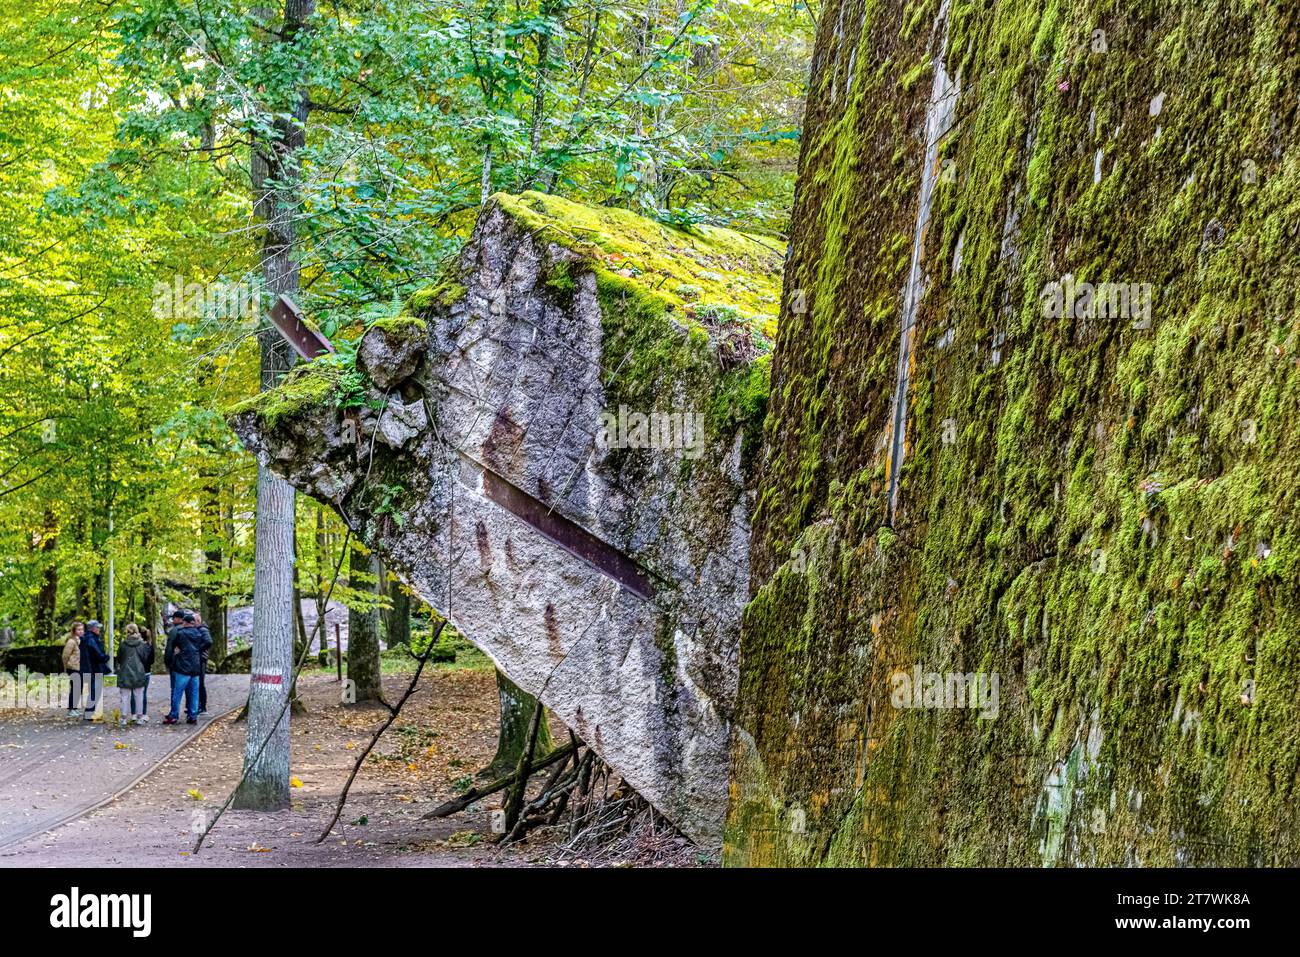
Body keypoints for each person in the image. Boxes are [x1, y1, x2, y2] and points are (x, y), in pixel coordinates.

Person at [164, 612, 211, 725]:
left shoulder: (180, 633)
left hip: (182, 667)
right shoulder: (198, 633)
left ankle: (174, 715)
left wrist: (171, 659)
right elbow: (208, 642)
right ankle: (192, 715)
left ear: (185, 622)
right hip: (195, 667)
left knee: (177, 692)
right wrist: (198, 651)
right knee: (194, 693)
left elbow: (172, 646)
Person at [115, 623, 150, 727]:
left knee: (124, 697)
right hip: (139, 672)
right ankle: (139, 718)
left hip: (125, 672)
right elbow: (145, 658)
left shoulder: (123, 644)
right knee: (139, 696)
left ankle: (123, 718)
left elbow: (120, 659)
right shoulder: (142, 644)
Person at [80, 620, 109, 722]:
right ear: (92, 628)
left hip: (91, 669)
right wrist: (105, 657)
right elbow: (98, 654)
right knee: (94, 691)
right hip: (94, 669)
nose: (99, 629)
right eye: (97, 627)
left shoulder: (87, 638)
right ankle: (89, 714)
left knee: (94, 691)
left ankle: (89, 713)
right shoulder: (91, 639)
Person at [61, 622, 83, 717]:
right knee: (75, 688)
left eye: (82, 629)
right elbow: (65, 655)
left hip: (77, 667)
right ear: (74, 631)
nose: (81, 631)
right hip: (72, 667)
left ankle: (74, 708)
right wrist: (66, 667)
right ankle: (71, 709)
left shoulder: (78, 640)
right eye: (79, 629)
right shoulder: (71, 641)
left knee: (78, 688)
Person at [193, 611, 211, 715]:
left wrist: (198, 650)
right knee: (197, 683)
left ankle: (202, 706)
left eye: (194, 621)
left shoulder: (203, 630)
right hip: (199, 659)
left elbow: (208, 641)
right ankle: (198, 705)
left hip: (201, 659)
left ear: (198, 621)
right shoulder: (199, 629)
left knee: (200, 683)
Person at [138, 626, 156, 723]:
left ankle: (135, 713)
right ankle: (143, 713)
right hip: (146, 671)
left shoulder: (137, 646)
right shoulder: (149, 646)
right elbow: (152, 660)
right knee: (143, 693)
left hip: (137, 671)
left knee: (134, 693)